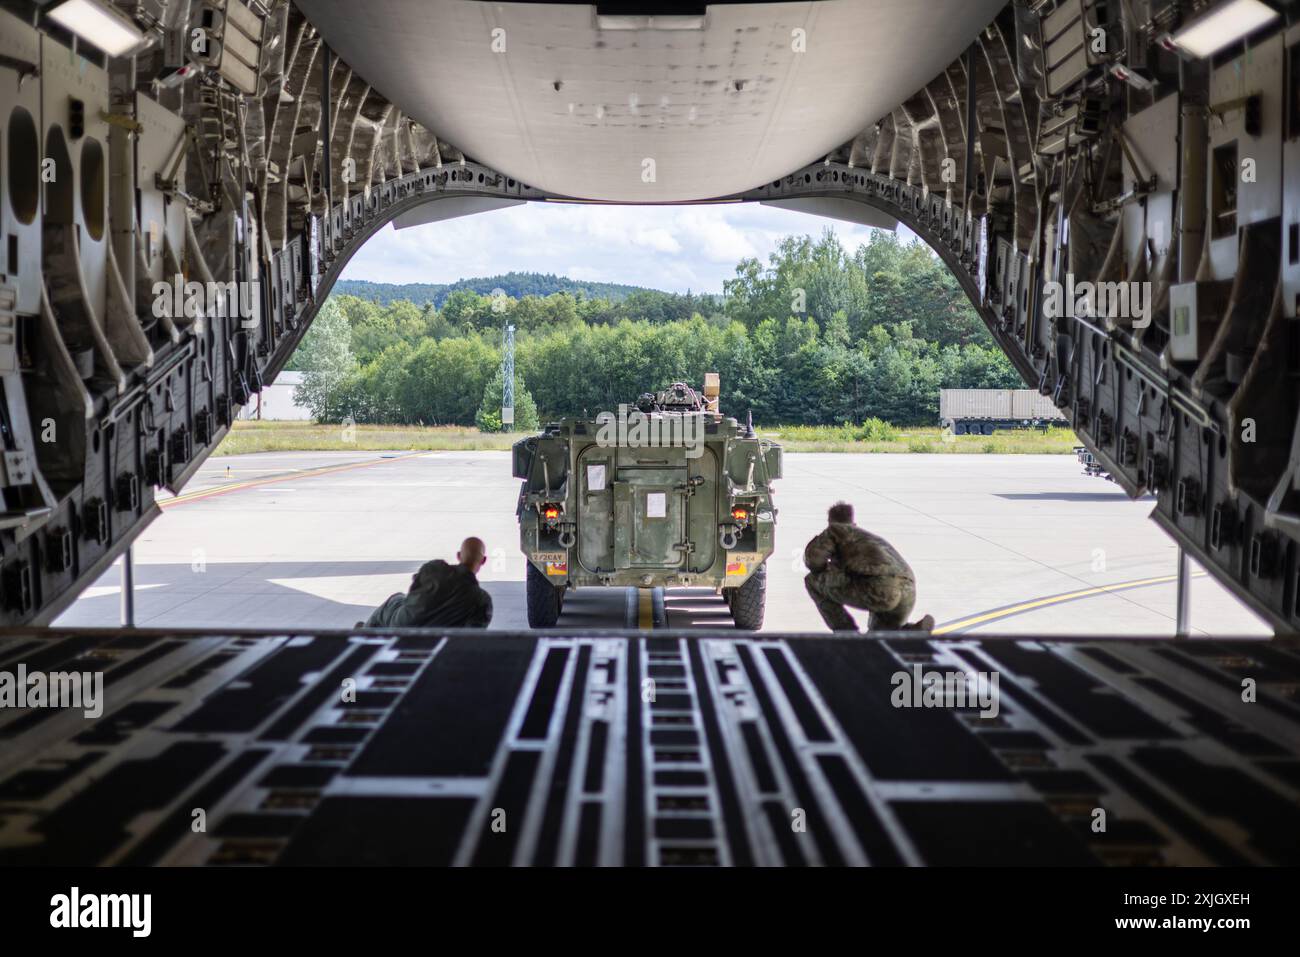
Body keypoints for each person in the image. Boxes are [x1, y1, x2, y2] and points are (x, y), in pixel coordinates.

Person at [803, 502, 934, 632]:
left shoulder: (836, 530)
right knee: (878, 636)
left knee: (812, 581)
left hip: (881, 588)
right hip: (907, 592)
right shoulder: (872, 539)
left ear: (831, 521)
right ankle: (912, 631)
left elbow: (813, 560)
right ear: (853, 522)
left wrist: (828, 570)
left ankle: (846, 632)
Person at [362, 537, 493, 628]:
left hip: (405, 625)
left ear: (459, 555)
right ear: (483, 560)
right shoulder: (482, 600)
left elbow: (412, 596)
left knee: (395, 599)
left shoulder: (434, 569)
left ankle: (362, 634)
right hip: (442, 640)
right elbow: (473, 633)